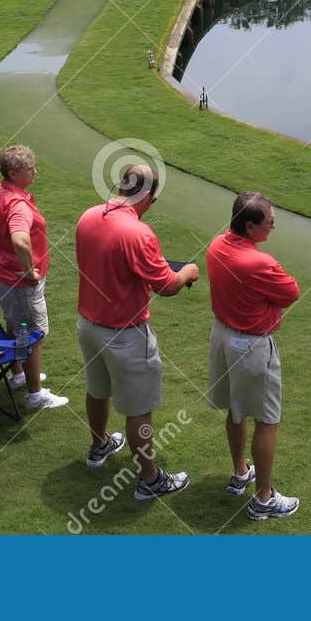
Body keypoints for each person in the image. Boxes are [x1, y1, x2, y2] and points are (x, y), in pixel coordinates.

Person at [74, 164, 199, 498]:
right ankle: (150, 479)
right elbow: (167, 286)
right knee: (139, 409)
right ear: (146, 195)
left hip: (88, 325)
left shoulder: (88, 216)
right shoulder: (138, 233)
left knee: (97, 390)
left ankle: (100, 445)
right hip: (125, 335)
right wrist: (188, 272)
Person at [206, 192, 300, 521]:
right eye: (269, 222)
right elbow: (291, 293)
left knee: (236, 409)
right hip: (251, 347)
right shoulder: (260, 263)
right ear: (249, 226)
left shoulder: (216, 245)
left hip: (222, 336)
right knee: (266, 420)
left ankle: (240, 472)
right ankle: (263, 498)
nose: (273, 227)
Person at [0, 144, 68, 411]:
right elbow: (20, 240)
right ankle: (36, 395)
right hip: (20, 282)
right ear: (13, 173)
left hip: (3, 276)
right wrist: (28, 269)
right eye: (29, 168)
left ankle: (18, 374)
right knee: (34, 334)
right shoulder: (18, 204)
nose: (35, 172)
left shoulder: (0, 190)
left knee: (17, 324)